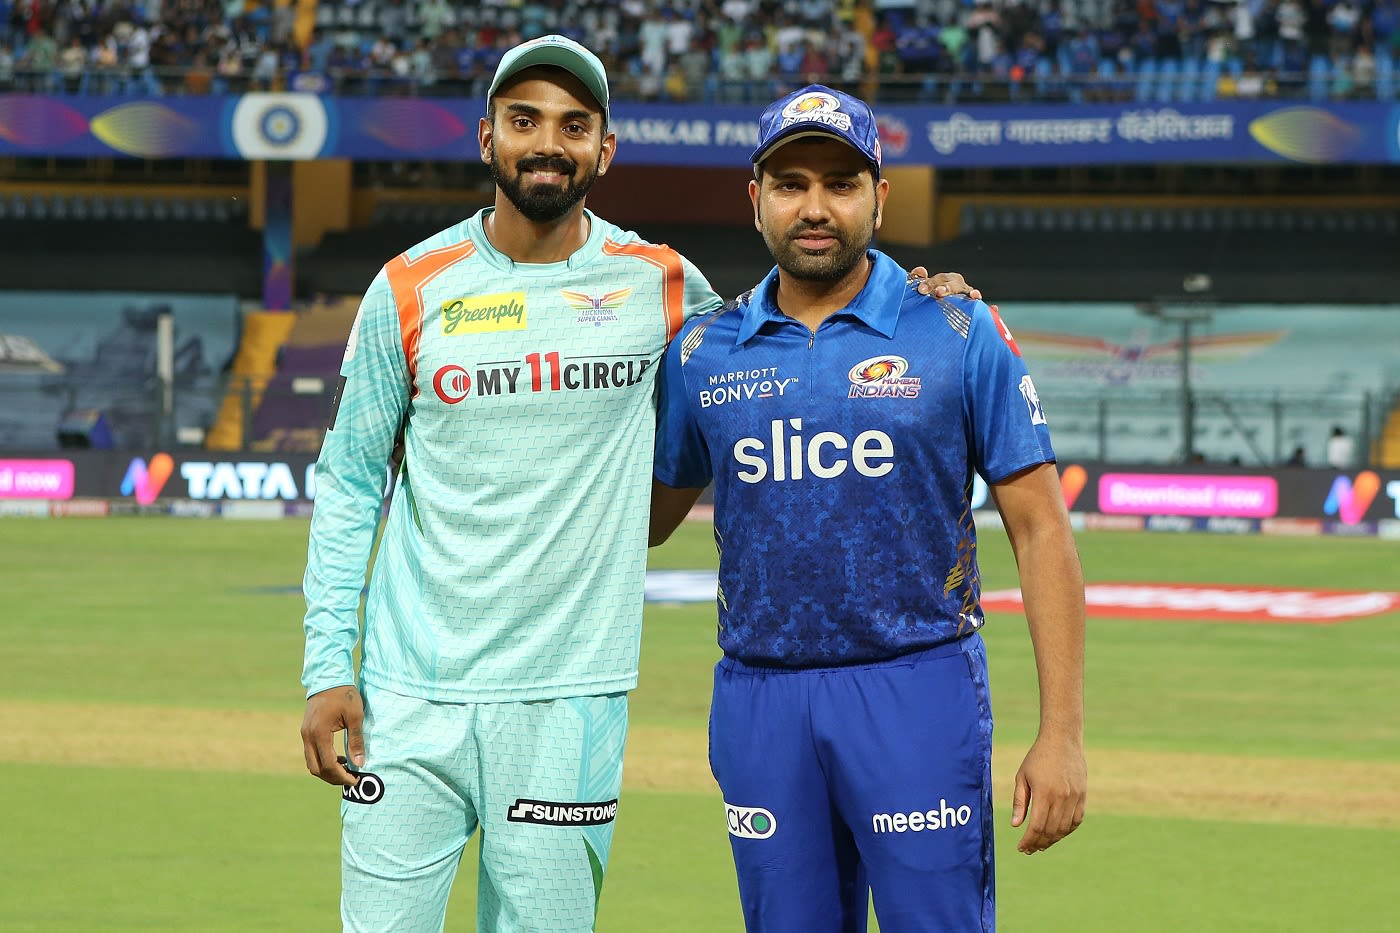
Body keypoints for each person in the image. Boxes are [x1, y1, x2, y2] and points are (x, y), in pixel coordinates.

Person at [299, 39, 979, 932]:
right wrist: (324, 668)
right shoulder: (408, 288)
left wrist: (915, 294)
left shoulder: (664, 288)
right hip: (404, 697)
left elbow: (778, 329)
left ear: (605, 150)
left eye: (574, 126)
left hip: (570, 702)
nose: (549, 143)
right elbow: (350, 484)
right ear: (486, 139)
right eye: (525, 121)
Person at [650, 84, 1087, 932]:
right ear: (756, 201)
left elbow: (1041, 530)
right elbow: (644, 520)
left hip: (917, 687)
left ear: (879, 198)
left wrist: (1061, 732)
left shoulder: (956, 329)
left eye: (841, 183)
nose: (815, 208)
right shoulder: (702, 352)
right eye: (791, 184)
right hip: (760, 699)